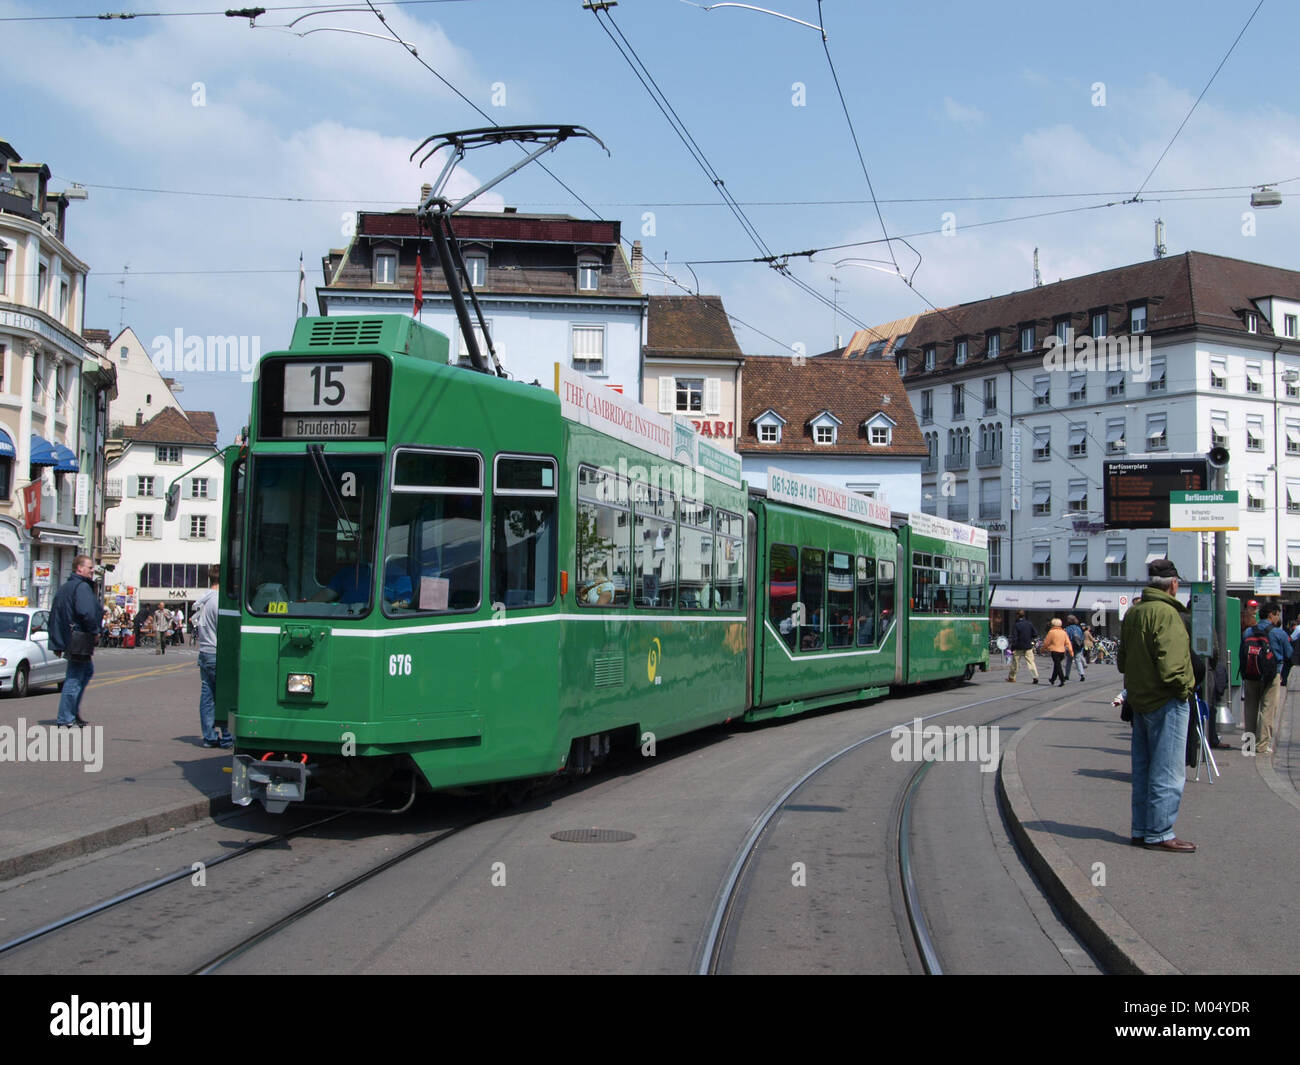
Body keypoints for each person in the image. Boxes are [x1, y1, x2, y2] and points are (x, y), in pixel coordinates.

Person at [1118, 558, 1196, 852]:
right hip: (1167, 700)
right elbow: (1173, 665)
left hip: (1140, 702)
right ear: (1173, 585)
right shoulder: (1168, 614)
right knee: (1168, 771)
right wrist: (1184, 688)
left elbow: (1123, 661)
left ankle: (1141, 829)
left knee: (1144, 769)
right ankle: (1160, 832)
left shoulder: (1134, 613)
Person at [49, 554, 101, 728]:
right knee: (74, 677)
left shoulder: (66, 587)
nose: (92, 570)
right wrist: (95, 631)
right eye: (90, 567)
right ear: (80, 568)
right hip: (79, 638)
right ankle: (65, 717)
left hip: (71, 638)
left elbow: (55, 616)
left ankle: (71, 713)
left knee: (85, 672)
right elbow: (87, 612)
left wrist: (57, 642)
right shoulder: (81, 587)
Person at [1240, 602, 1290, 756]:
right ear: (1272, 614)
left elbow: (1241, 652)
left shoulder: (1248, 631)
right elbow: (1289, 654)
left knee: (1250, 708)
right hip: (1271, 674)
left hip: (1250, 674)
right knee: (1268, 709)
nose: (1278, 618)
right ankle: (1262, 745)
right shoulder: (1278, 633)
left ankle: (1248, 745)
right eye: (1277, 615)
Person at [194, 566, 230, 749]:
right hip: (217, 652)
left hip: (205, 651)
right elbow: (224, 630)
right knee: (224, 694)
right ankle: (226, 735)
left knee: (207, 695)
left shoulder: (204, 599)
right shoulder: (218, 601)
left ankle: (209, 735)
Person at [1007, 610, 1039, 683]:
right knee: (1031, 662)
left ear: (1018, 615)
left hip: (1018, 646)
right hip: (1028, 646)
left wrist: (1012, 647)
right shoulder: (1029, 623)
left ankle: (1012, 677)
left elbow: (1014, 637)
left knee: (1015, 662)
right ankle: (1035, 676)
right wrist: (1030, 638)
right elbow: (1035, 633)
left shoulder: (1016, 625)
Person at [1042, 618, 1071, 686]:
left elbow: (1046, 642)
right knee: (1057, 665)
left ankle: (1062, 679)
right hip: (1062, 651)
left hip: (1054, 651)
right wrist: (1071, 651)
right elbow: (1068, 642)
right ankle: (1052, 679)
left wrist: (1043, 649)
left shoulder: (1051, 632)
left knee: (1058, 666)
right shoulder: (1064, 632)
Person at [1064, 614, 1087, 682]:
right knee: (1078, 660)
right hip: (1078, 647)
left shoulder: (1068, 628)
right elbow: (1082, 637)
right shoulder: (1078, 628)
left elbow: (1066, 638)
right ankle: (1082, 674)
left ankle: (1067, 675)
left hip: (1070, 647)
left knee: (1069, 661)